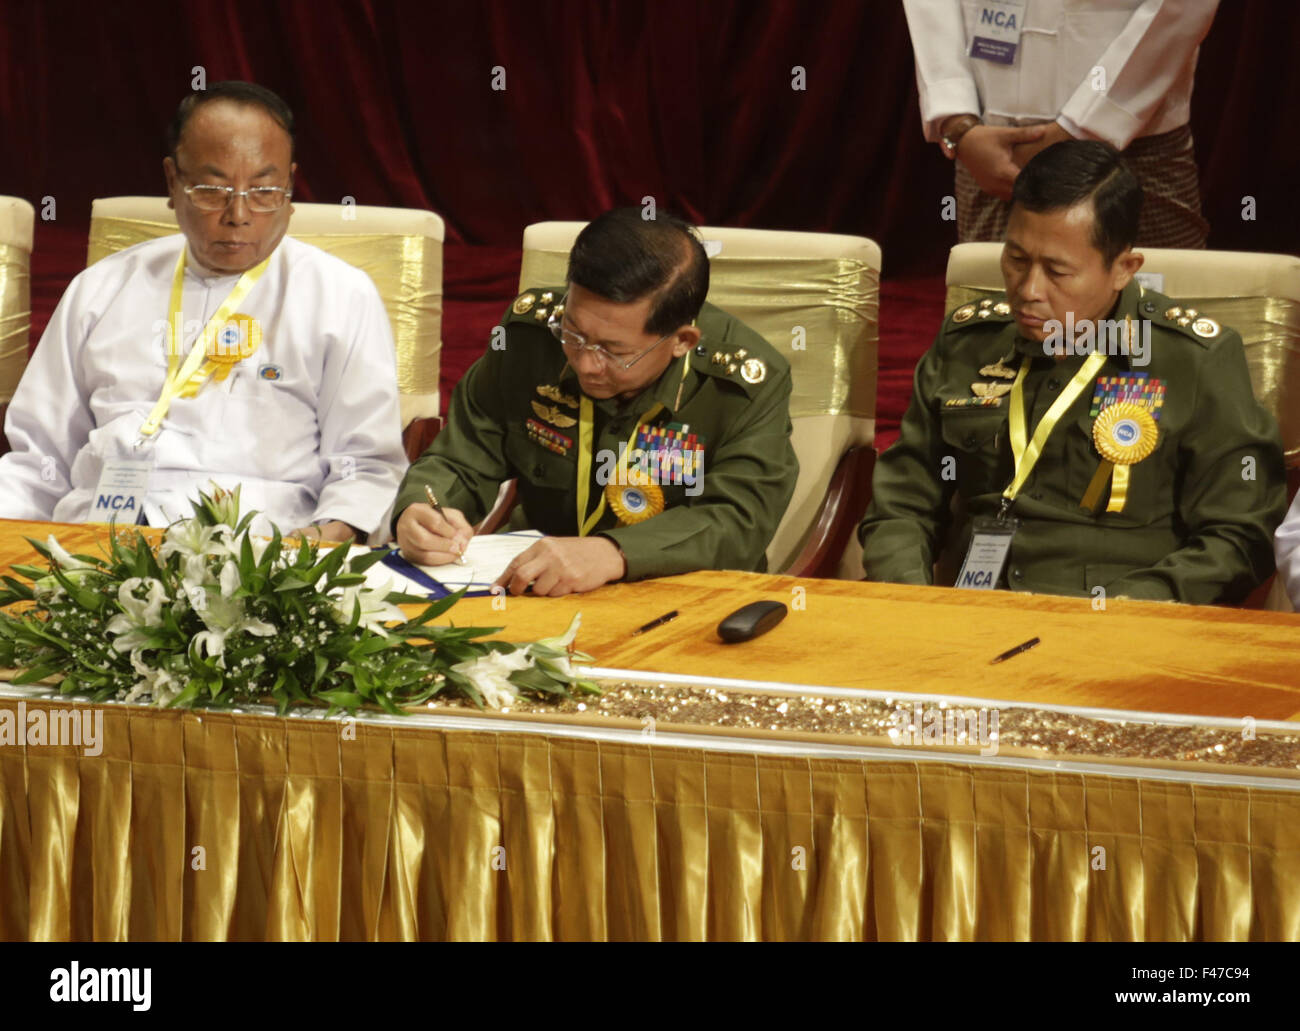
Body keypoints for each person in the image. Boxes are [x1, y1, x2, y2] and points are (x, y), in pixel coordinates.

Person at [858, 140, 1284, 604]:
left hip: (1118, 629)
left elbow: (1240, 534)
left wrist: (1141, 605)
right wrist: (906, 598)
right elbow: (903, 501)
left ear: (1123, 268)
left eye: (1057, 271)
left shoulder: (1195, 359)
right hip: (970, 616)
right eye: (1016, 259)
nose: (1029, 290)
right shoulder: (969, 341)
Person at [0, 81, 406, 541]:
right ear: (173, 182)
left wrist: (316, 545)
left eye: (264, 190)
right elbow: (38, 461)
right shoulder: (101, 288)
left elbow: (367, 467)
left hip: (261, 548)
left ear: (290, 187)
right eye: (212, 191)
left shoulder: (340, 295)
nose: (238, 214)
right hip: (96, 538)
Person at [394, 207, 798, 596]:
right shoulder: (531, 336)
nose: (587, 363)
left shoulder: (743, 383)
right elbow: (461, 457)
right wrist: (423, 510)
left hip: (681, 594)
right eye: (573, 332)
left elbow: (740, 518)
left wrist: (615, 553)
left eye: (613, 351)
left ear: (680, 341)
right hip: (534, 584)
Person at [902, 0, 1219, 246]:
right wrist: (957, 119)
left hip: (1136, 139)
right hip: (990, 148)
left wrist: (1091, 123)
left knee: (1152, 316)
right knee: (997, 317)